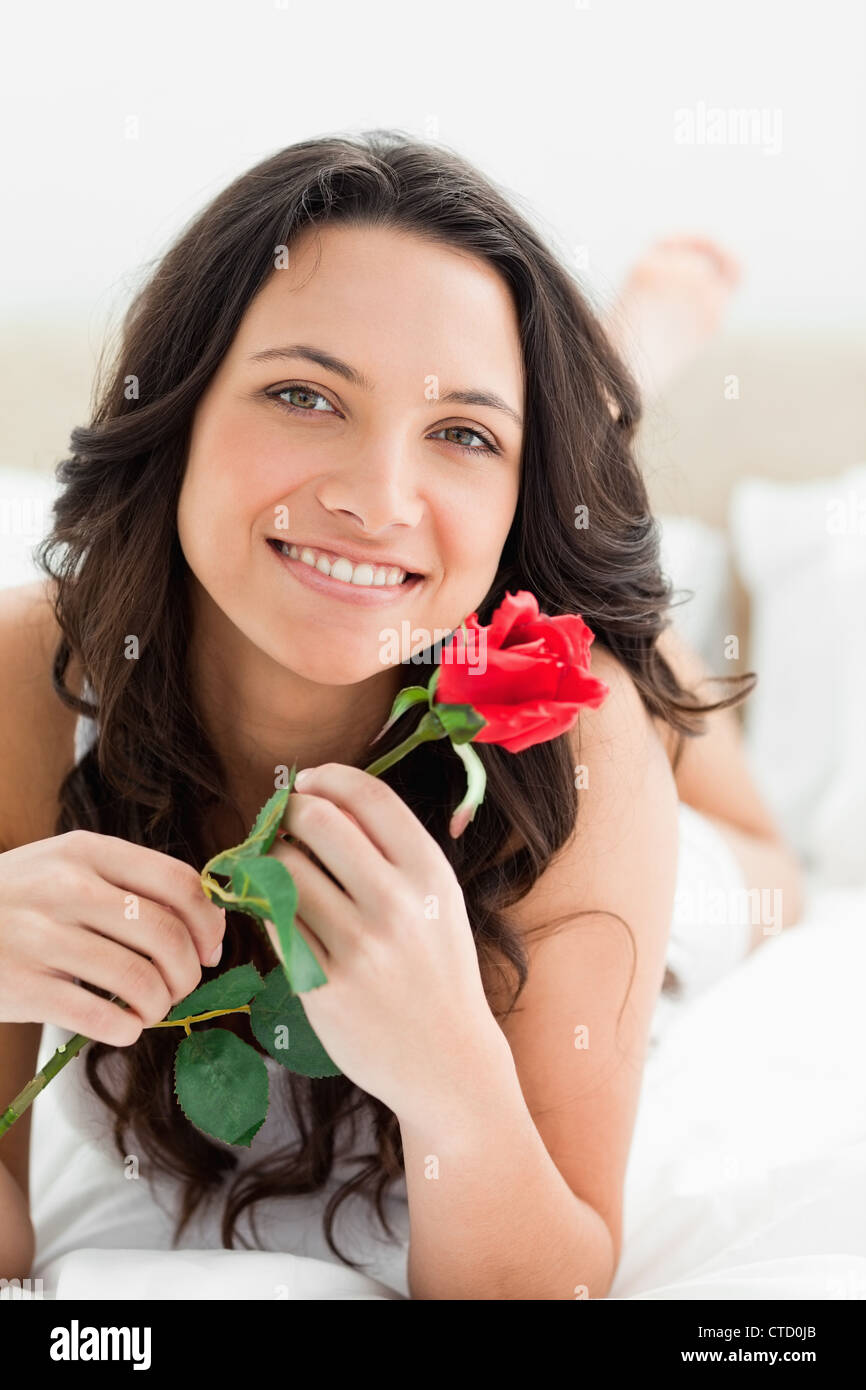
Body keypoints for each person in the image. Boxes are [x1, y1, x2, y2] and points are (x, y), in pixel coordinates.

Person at [0, 131, 803, 1301]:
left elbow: (553, 1281)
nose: (374, 497)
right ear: (176, 409)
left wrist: (450, 1072)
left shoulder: (585, 747)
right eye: (301, 394)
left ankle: (598, 413)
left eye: (463, 432)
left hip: (595, 793)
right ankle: (562, 415)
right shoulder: (34, 666)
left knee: (634, 703)